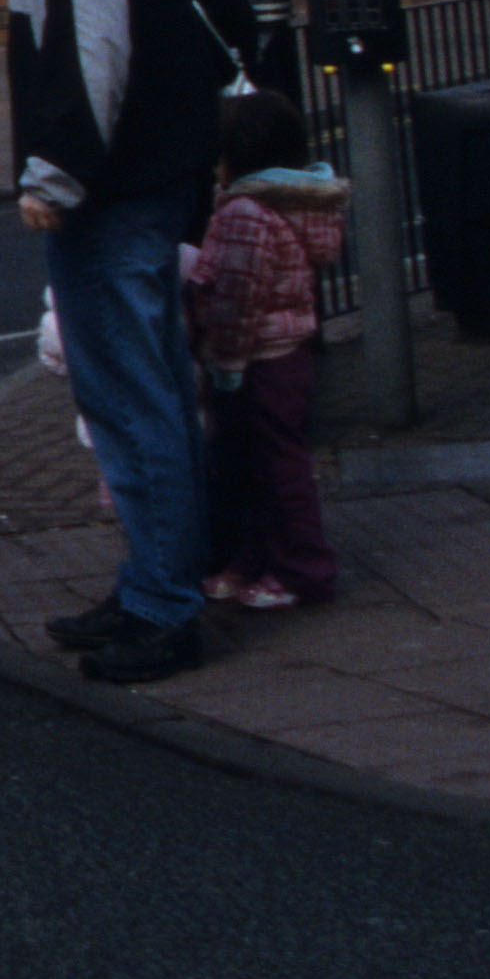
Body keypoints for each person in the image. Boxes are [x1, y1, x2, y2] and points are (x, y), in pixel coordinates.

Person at [0, 0, 242, 684]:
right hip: (163, 176)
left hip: (114, 192)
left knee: (133, 403)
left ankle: (167, 606)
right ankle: (152, 582)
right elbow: (215, 16)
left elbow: (89, 43)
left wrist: (54, 176)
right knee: (158, 395)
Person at [192, 84, 347, 609]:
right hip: (288, 354)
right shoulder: (288, 205)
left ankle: (304, 572)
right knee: (257, 466)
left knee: (276, 472)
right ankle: (253, 560)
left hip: (255, 360)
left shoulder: (244, 213)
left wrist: (225, 361)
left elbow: (237, 297)